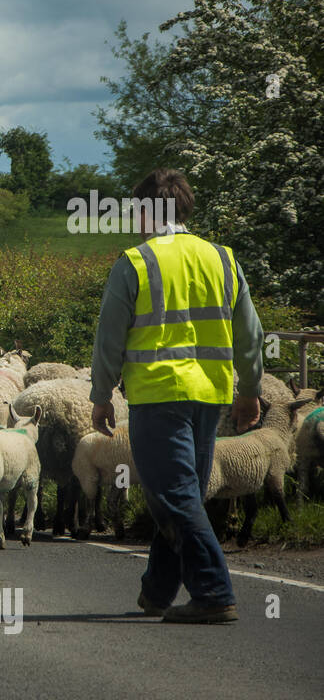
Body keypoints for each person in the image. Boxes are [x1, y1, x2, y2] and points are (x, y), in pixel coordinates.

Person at [89, 168, 264, 624]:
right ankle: (159, 591)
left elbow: (110, 337)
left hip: (159, 394)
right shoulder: (223, 259)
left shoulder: (136, 262)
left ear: (148, 211)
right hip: (210, 397)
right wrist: (249, 392)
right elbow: (249, 335)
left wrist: (102, 393)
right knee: (183, 494)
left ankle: (212, 592)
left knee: (173, 496)